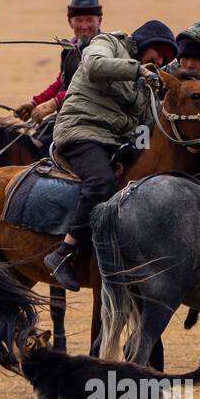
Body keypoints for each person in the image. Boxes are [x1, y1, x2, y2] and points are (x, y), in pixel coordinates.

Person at [45, 19, 180, 291]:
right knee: (101, 182)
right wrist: (137, 71)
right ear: (144, 43)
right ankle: (63, 253)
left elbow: (145, 121)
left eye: (165, 59)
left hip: (112, 141)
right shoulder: (109, 43)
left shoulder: (147, 82)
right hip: (80, 131)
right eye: (159, 53)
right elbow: (95, 65)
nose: (161, 60)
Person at [14, 0, 103, 122]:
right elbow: (62, 83)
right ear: (70, 22)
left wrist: (53, 104)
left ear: (99, 21)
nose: (84, 26)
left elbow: (88, 87)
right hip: (68, 116)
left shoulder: (104, 49)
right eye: (79, 20)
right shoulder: (69, 48)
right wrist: (35, 103)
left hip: (94, 119)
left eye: (89, 20)